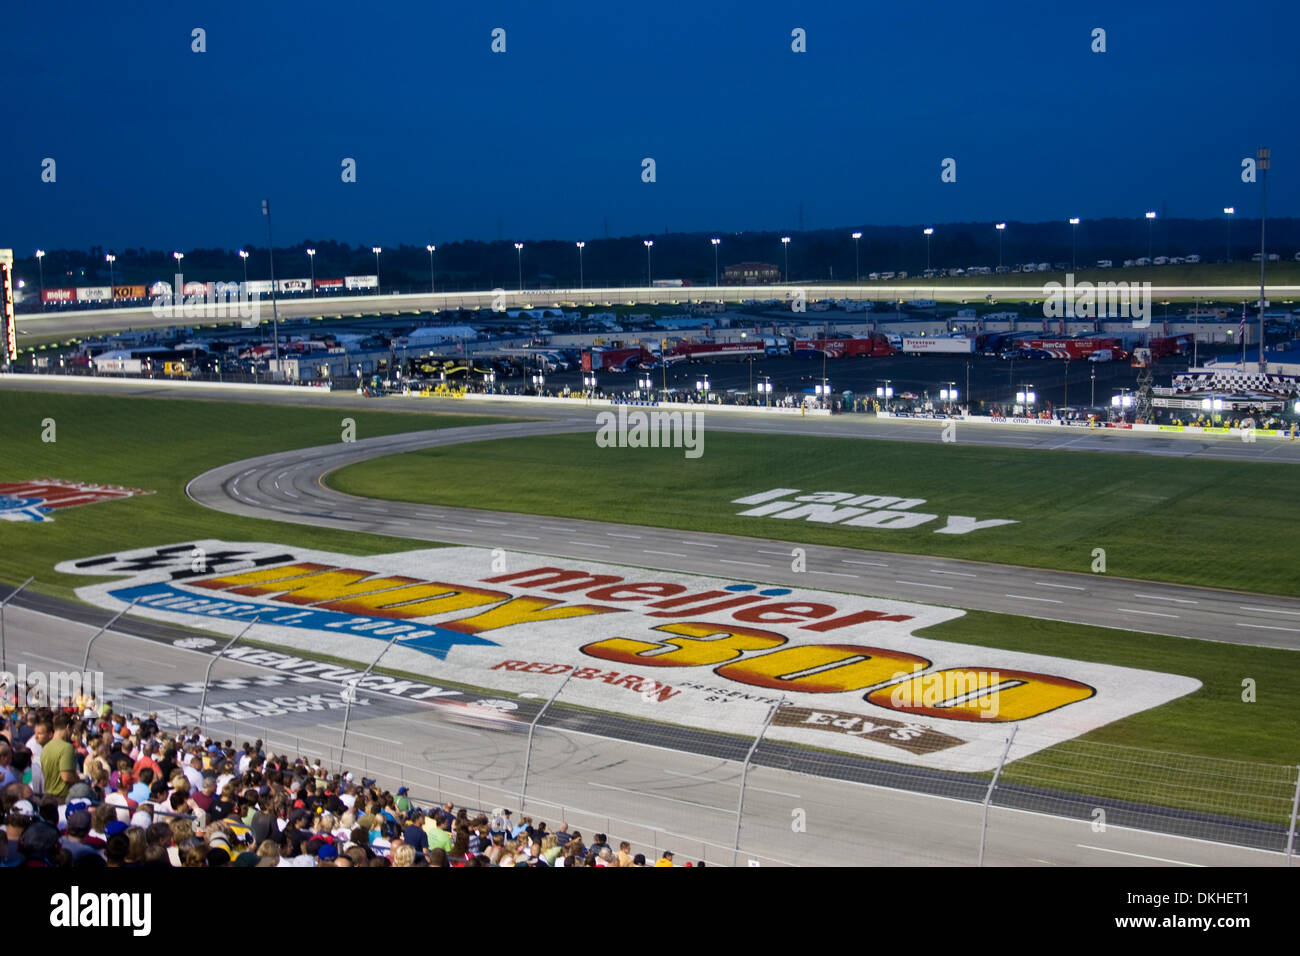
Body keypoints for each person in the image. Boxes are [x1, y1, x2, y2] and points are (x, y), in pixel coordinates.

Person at [40, 713, 78, 803]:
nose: (72, 733)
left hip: (48, 797)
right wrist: (79, 780)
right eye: (72, 730)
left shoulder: (46, 747)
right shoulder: (67, 747)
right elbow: (66, 776)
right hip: (62, 798)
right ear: (68, 727)